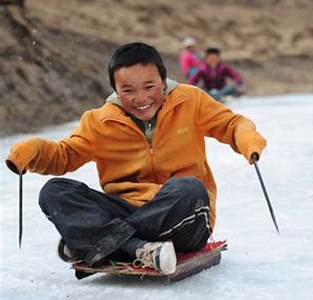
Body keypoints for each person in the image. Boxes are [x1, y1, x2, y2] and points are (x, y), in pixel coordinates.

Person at [5, 42, 266, 275]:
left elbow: (232, 124)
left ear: (163, 81)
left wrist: (248, 140)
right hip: (128, 208)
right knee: (55, 192)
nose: (141, 99)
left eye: (149, 86)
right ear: (115, 89)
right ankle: (136, 247)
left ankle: (100, 241)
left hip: (182, 219)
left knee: (189, 188)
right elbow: (65, 155)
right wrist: (34, 150)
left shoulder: (191, 100)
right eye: (128, 90)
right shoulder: (99, 121)